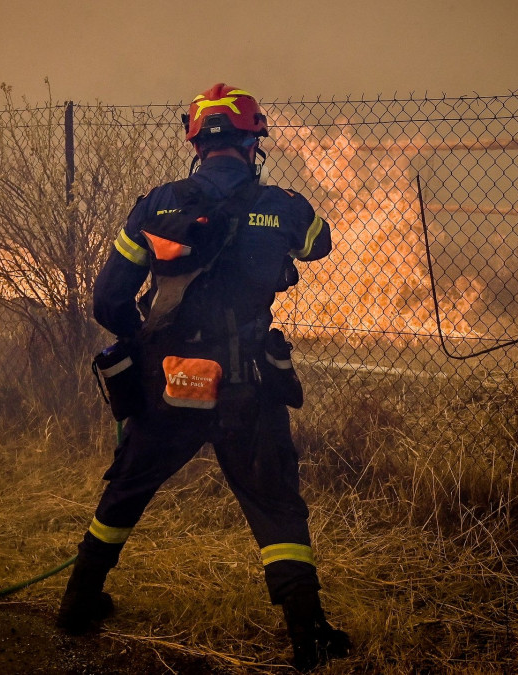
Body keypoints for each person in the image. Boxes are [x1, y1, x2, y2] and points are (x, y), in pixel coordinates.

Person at [57, 83, 351, 672]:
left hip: (169, 384)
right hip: (247, 386)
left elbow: (109, 300)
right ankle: (308, 635)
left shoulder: (156, 207)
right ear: (253, 141)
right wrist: (275, 232)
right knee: (275, 504)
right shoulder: (284, 207)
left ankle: (78, 604)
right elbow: (320, 245)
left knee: (128, 485)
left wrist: (142, 345)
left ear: (195, 142)